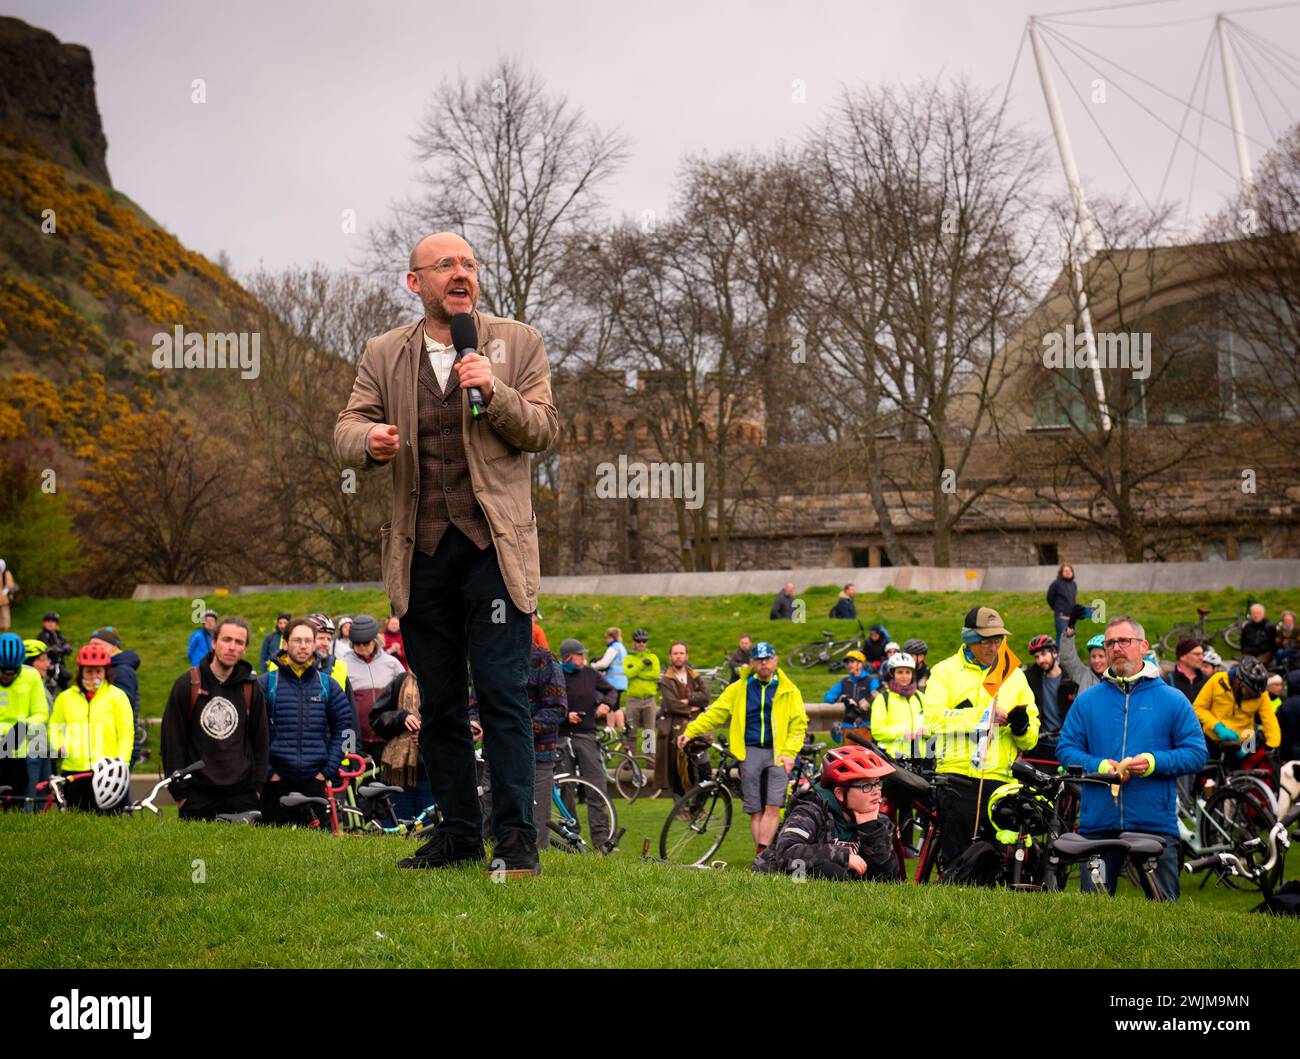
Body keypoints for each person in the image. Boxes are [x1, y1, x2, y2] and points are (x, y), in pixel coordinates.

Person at [335, 230, 557, 875]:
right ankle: (459, 836)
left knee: (502, 695)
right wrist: (368, 440)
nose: (460, 274)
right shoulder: (383, 353)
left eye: (468, 263)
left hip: (494, 550)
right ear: (415, 282)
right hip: (421, 551)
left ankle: (517, 843)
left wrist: (497, 390)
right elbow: (346, 428)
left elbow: (544, 428)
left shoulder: (518, 343)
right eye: (445, 266)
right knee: (434, 701)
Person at [1057, 616, 1207, 900]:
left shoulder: (1173, 699)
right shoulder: (1087, 700)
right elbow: (1066, 750)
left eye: (1123, 641)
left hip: (1154, 824)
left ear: (1143, 646)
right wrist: (1099, 766)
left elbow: (1196, 753)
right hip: (1098, 826)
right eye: (1110, 642)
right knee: (1092, 916)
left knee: (1164, 915)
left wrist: (1153, 762)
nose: (1115, 648)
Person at [923, 606, 1038, 870]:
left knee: (998, 862)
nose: (993, 647)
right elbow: (932, 720)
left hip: (1000, 781)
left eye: (998, 640)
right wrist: (981, 717)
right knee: (957, 862)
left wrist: (1022, 728)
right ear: (969, 639)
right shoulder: (944, 671)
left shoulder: (1014, 675)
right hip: (957, 779)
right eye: (986, 640)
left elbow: (1030, 739)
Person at [679, 641, 808, 855]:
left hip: (778, 753)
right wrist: (690, 731)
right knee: (755, 809)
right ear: (752, 663)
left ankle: (764, 854)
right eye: (759, 659)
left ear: (775, 661)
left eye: (768, 659)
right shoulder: (739, 688)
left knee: (774, 805)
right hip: (750, 751)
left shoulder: (789, 689)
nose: (764, 663)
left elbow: (798, 723)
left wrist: (789, 753)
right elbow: (715, 713)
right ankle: (763, 857)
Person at [161, 616, 268, 821]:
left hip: (242, 795)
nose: (232, 647)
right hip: (196, 795)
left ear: (245, 649)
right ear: (213, 642)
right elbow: (172, 742)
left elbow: (261, 741)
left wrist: (257, 788)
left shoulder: (251, 687)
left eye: (239, 642)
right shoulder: (187, 684)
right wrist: (181, 794)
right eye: (226, 640)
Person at [753, 744, 899, 881]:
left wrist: (871, 830)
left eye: (877, 783)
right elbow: (787, 853)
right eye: (867, 786)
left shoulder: (878, 820)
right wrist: (842, 855)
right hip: (781, 883)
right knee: (833, 870)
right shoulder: (810, 811)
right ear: (840, 793)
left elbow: (888, 876)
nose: (876, 792)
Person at [258, 618, 353, 827]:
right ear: (285, 644)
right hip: (275, 784)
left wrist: (327, 770)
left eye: (308, 641)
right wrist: (269, 772)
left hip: (314, 783)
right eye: (297, 640)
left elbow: (345, 729)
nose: (303, 646)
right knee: (269, 853)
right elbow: (251, 734)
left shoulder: (328, 684)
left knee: (317, 853)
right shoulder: (266, 683)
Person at [48, 642, 134, 811]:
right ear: (80, 672)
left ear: (106, 672)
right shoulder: (65, 698)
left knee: (111, 823)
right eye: (89, 671)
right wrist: (59, 745)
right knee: (76, 825)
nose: (94, 676)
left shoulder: (117, 696)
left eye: (99, 671)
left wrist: (121, 763)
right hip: (74, 770)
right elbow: (54, 727)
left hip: (108, 772)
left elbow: (126, 733)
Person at [555, 639, 617, 850]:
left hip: (587, 735)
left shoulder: (590, 674)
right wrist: (565, 716)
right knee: (565, 788)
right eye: (580, 655)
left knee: (597, 785)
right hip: (562, 736)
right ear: (568, 657)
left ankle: (601, 839)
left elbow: (612, 692)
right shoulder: (556, 675)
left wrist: (605, 705)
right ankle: (571, 838)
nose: (584, 659)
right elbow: (546, 704)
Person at [341, 614, 406, 763]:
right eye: (357, 644)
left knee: (387, 783)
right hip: (355, 739)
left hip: (387, 737)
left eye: (366, 643)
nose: (362, 647)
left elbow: (405, 694)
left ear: (375, 640)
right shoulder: (342, 664)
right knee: (355, 780)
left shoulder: (392, 663)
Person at [1191, 655, 1279, 765]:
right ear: (1238, 681)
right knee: (1209, 777)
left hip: (1245, 740)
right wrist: (1217, 727)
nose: (1253, 696)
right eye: (1249, 692)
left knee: (1244, 776)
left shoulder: (1261, 694)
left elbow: (1270, 720)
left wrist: (1272, 746)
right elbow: (1198, 707)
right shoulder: (1217, 680)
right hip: (1214, 738)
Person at [655, 640, 711, 795]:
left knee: (702, 769)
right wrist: (693, 707)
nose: (678, 657)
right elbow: (671, 705)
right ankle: (681, 807)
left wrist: (687, 700)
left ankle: (697, 807)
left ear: (686, 655)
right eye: (675, 653)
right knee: (678, 770)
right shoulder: (666, 679)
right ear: (670, 656)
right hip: (676, 728)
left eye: (681, 653)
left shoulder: (694, 675)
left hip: (697, 727)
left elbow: (706, 697)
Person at [0, 632, 48, 807]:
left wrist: (23, 727)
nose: (8, 677)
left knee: (17, 799)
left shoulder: (31, 676)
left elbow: (41, 712)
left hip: (18, 748)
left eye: (13, 673)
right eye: (3, 672)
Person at [88, 627, 143, 766]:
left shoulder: (121, 670)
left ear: (114, 646)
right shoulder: (114, 668)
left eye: (97, 645)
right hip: (110, 744)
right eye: (90, 645)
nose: (93, 649)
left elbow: (124, 709)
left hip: (118, 746)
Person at [1022, 634, 1077, 762]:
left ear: (1054, 653)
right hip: (1042, 744)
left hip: (1068, 744)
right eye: (1037, 657)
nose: (1040, 660)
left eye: (1043, 654)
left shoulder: (1072, 680)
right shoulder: (1031, 679)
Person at [869, 651, 926, 759]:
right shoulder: (882, 699)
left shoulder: (920, 697)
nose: (904, 676)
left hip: (920, 757)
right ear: (892, 674)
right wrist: (902, 733)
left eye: (908, 672)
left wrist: (926, 730)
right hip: (892, 758)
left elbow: (933, 723)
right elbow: (877, 731)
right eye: (900, 672)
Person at [21, 638, 56, 801]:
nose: (47, 664)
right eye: (42, 660)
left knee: (43, 799)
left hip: (43, 748)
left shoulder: (41, 685)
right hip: (30, 750)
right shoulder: (25, 686)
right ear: (29, 663)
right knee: (30, 798)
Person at [622, 628, 661, 756]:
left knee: (649, 732)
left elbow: (655, 675)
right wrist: (642, 665)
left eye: (644, 641)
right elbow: (628, 674)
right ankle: (630, 762)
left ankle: (650, 762)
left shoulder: (653, 657)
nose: (641, 644)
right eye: (638, 641)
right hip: (633, 699)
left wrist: (638, 673)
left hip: (649, 700)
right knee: (631, 732)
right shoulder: (628, 658)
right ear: (633, 642)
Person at [822, 651, 877, 730]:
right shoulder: (844, 681)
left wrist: (868, 702)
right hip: (848, 725)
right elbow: (827, 697)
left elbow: (879, 699)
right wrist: (842, 698)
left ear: (860, 664)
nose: (849, 664)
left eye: (852, 661)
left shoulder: (871, 681)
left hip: (867, 724)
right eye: (848, 662)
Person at [589, 626, 628, 727]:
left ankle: (610, 727)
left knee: (609, 705)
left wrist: (593, 666)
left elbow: (604, 663)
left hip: (613, 681)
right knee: (617, 707)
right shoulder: (622, 647)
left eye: (606, 637)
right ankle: (621, 728)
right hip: (622, 681)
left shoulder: (613, 647)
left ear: (610, 637)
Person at [1060, 627, 1107, 693]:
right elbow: (1068, 659)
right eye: (1093, 656)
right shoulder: (1082, 674)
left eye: (1101, 656)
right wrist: (1068, 636)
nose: (1096, 660)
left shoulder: (1117, 679)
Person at [35, 611, 72, 690]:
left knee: (66, 679)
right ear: (44, 623)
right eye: (48, 621)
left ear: (56, 624)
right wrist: (53, 649)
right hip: (48, 665)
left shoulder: (59, 635)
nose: (50, 624)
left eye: (53, 621)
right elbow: (43, 648)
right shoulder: (42, 636)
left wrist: (66, 648)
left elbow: (66, 645)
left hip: (59, 665)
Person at [1045, 564, 1080, 646]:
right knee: (1062, 638)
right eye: (1065, 571)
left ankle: (1069, 658)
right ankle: (1059, 657)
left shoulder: (1074, 584)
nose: (1068, 573)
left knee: (1071, 639)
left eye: (1070, 571)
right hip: (1061, 617)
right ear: (1061, 572)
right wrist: (1058, 609)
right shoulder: (1056, 583)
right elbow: (1049, 598)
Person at [1168, 638, 1209, 703]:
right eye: (1197, 654)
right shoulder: (1168, 681)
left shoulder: (1207, 680)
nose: (1202, 658)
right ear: (1182, 656)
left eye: (1202, 654)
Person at [1239, 604, 1276, 669]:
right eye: (1253, 613)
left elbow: (1272, 644)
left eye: (1258, 613)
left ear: (1263, 614)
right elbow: (1243, 642)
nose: (1256, 615)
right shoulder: (1247, 627)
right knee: (1244, 665)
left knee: (1256, 665)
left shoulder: (1270, 627)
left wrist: (1260, 650)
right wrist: (1245, 651)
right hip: (1249, 652)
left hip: (1264, 652)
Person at [0, 559, 16, 631]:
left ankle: (6, 626)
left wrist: (4, 592)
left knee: (4, 612)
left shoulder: (6, 573)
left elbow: (10, 584)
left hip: (3, 596)